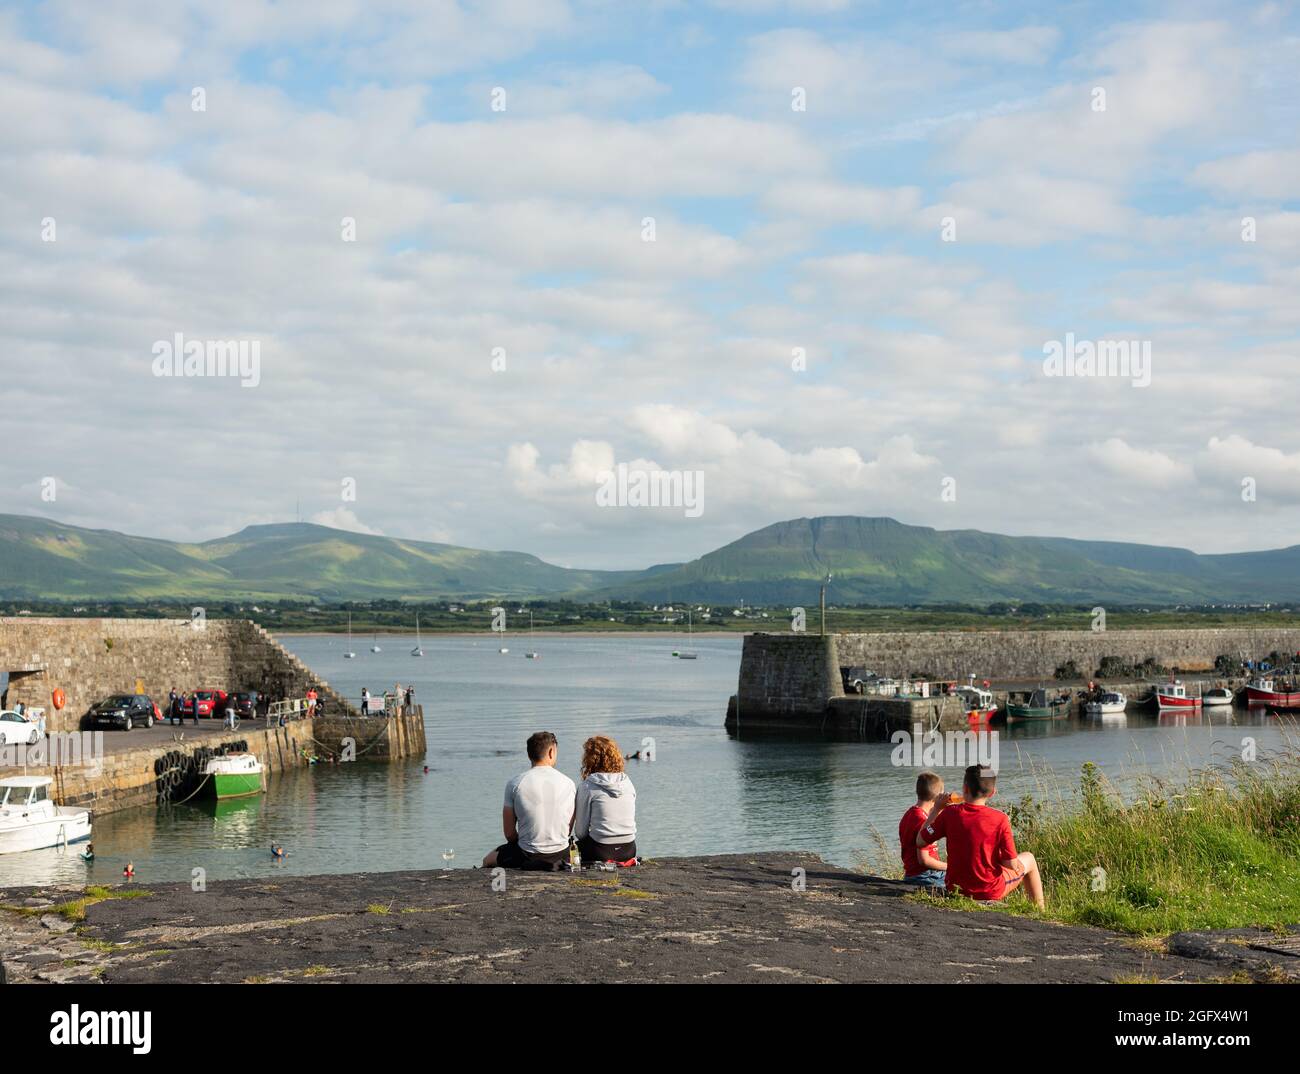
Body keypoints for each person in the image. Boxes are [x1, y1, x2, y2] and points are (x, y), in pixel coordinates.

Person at [917, 764, 1045, 909]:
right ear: (992, 793)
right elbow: (1011, 864)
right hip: (989, 891)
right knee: (1029, 858)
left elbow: (920, 841)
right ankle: (1039, 912)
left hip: (955, 889)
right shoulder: (1000, 818)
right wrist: (995, 856)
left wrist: (936, 810)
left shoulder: (949, 814)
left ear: (965, 789)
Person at [482, 731, 576, 871]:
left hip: (527, 855)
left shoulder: (515, 784)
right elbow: (567, 830)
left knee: (487, 860)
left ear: (529, 755)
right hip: (561, 854)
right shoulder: (569, 783)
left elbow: (509, 834)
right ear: (551, 752)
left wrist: (528, 841)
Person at [574, 736, 637, 863]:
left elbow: (581, 833)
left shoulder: (587, 786)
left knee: (572, 848)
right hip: (629, 849)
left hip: (600, 851)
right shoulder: (628, 783)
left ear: (589, 759)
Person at [899, 771, 953, 890]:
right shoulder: (921, 821)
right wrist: (950, 867)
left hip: (912, 874)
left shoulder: (910, 814)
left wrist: (939, 810)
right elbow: (924, 860)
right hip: (926, 876)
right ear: (937, 796)